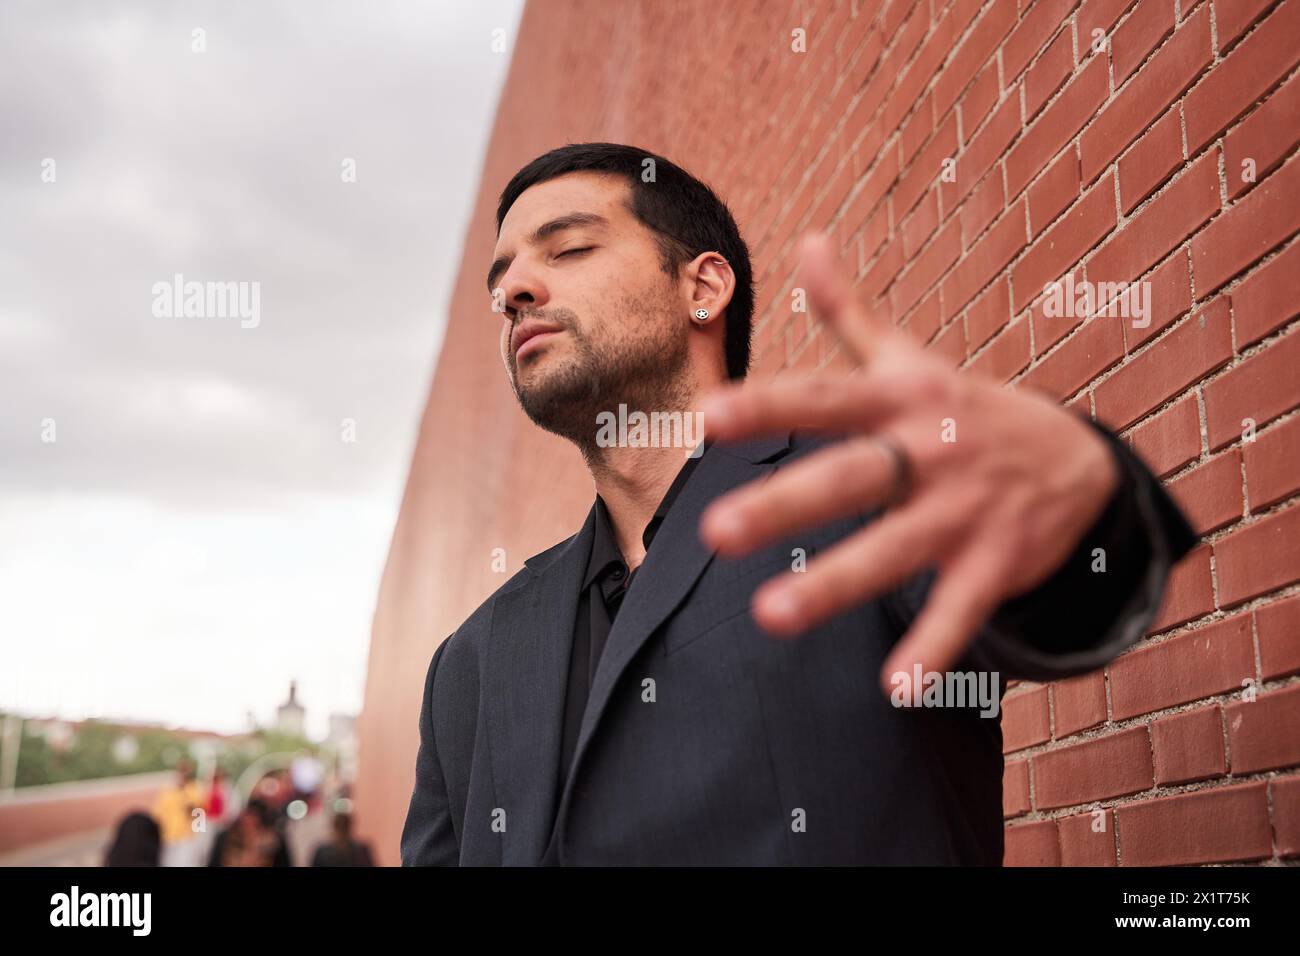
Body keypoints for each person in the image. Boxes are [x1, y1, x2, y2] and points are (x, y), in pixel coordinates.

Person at [400, 143, 1196, 865]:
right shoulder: (468, 663)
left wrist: (1082, 497)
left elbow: (1063, 597)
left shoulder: (872, 500)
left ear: (704, 287)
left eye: (569, 247)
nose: (513, 291)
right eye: (499, 281)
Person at [151, 760, 206, 866]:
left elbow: (197, 814)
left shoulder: (195, 789)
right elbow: (157, 813)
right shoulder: (166, 790)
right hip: (167, 836)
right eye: (181, 771)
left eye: (185, 771)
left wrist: (183, 793)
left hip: (187, 837)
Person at [208, 798, 291, 867]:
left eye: (254, 818)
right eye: (248, 816)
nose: (249, 821)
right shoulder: (226, 838)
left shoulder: (273, 843)